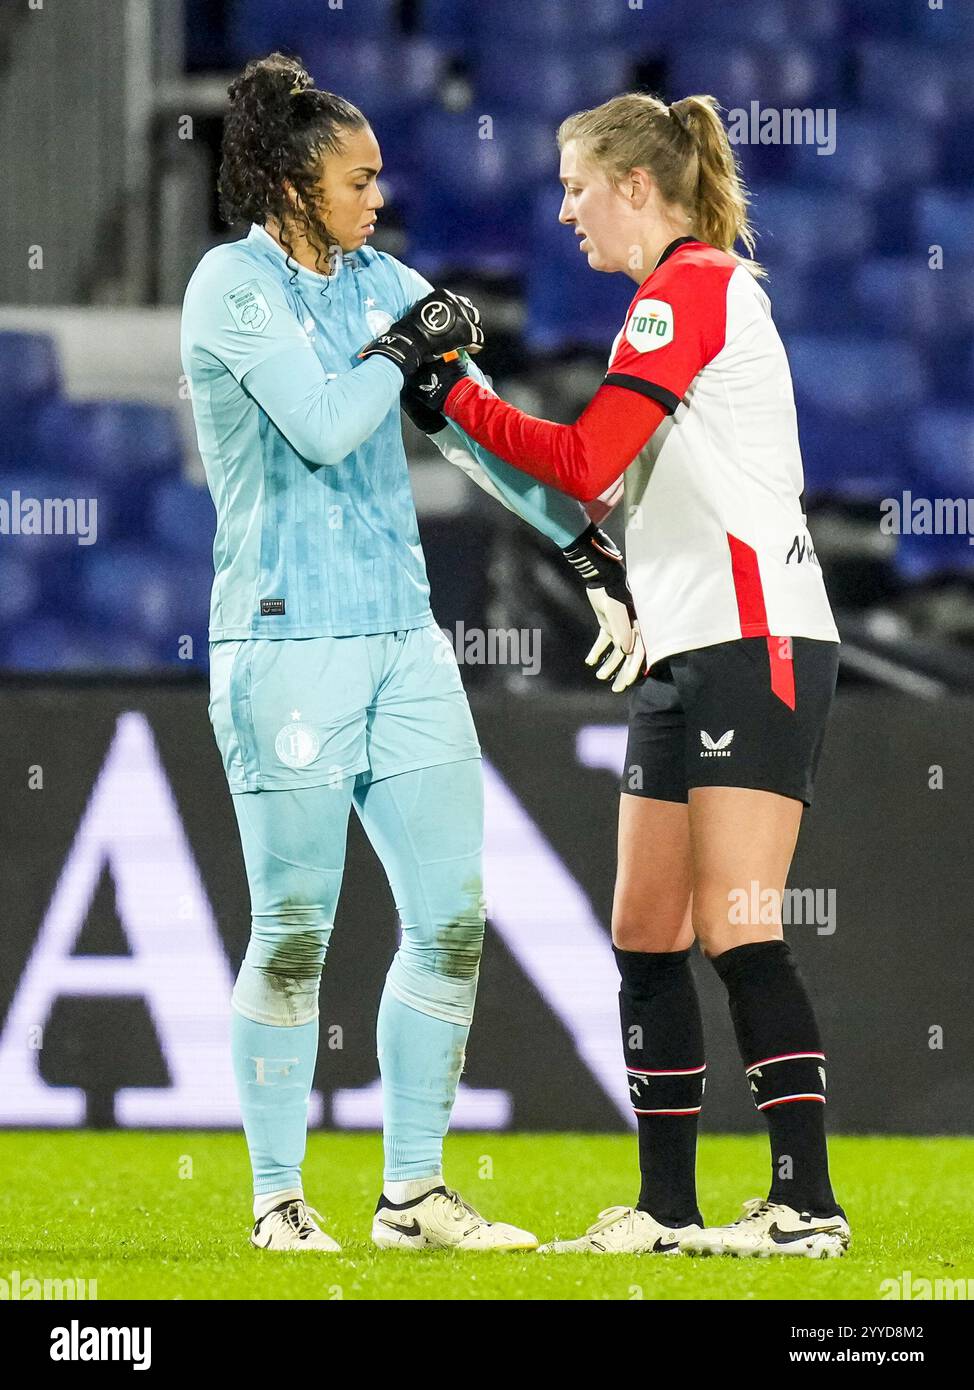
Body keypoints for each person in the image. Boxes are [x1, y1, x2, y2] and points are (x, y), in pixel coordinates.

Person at [180, 53, 640, 1254]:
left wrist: (586, 554)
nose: (376, 199)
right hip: (283, 641)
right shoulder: (230, 289)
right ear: (289, 180)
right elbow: (330, 429)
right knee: (293, 929)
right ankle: (280, 1200)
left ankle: (411, 1197)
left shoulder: (385, 279)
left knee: (449, 919)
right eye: (357, 178)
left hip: (401, 640)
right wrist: (396, 349)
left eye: (378, 178)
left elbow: (477, 438)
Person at [394, 92, 849, 1258]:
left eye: (574, 186)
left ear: (633, 187)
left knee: (738, 926)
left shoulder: (688, 290)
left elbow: (590, 459)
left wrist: (461, 402)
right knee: (645, 932)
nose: (563, 211)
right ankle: (664, 1209)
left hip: (759, 641)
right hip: (682, 648)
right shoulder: (663, 305)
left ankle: (805, 1204)